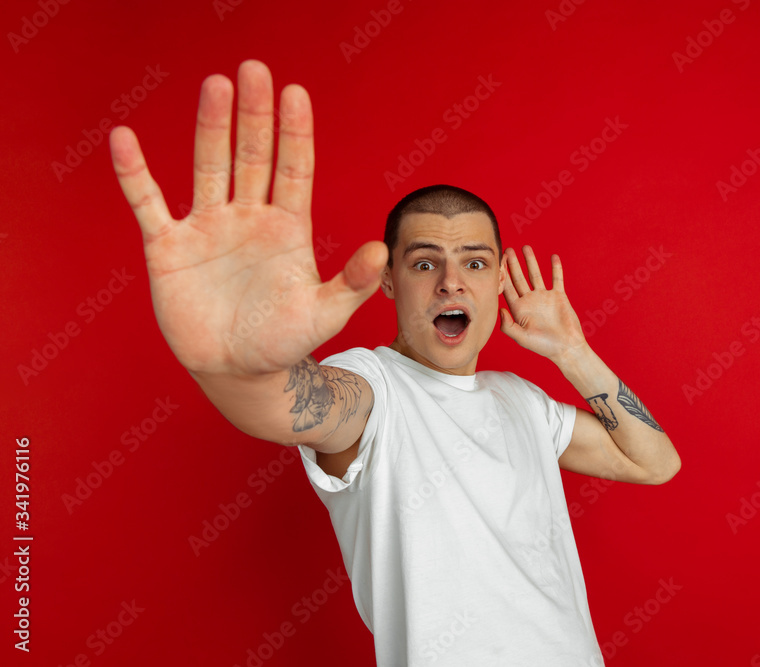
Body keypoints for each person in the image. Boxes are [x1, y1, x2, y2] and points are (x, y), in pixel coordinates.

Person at [109, 59, 680, 666]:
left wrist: (573, 352)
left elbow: (656, 463)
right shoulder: (374, 387)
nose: (452, 284)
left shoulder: (524, 401)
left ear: (499, 281)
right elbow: (287, 403)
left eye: (476, 263)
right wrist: (230, 365)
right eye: (425, 262)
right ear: (389, 281)